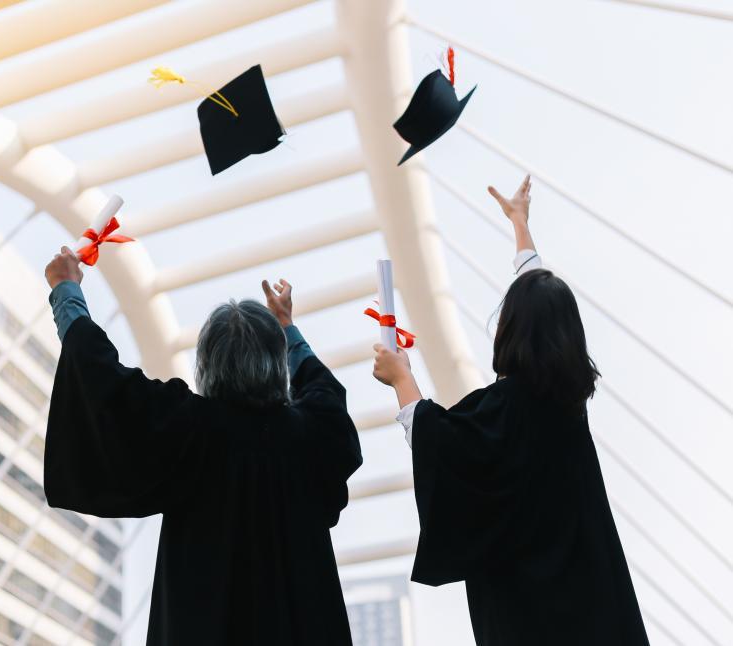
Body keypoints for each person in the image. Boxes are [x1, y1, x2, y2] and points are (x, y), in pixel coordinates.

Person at [372, 176, 649, 645]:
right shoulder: (568, 404)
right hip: (597, 611)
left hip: (529, 620)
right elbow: (544, 307)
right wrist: (520, 226)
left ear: (511, 331)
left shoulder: (504, 411)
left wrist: (403, 380)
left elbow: (441, 444)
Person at [42, 248, 362, 646]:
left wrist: (66, 291)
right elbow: (324, 389)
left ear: (207, 364)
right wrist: (286, 327)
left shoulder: (188, 427)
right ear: (275, 363)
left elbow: (100, 377)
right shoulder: (313, 433)